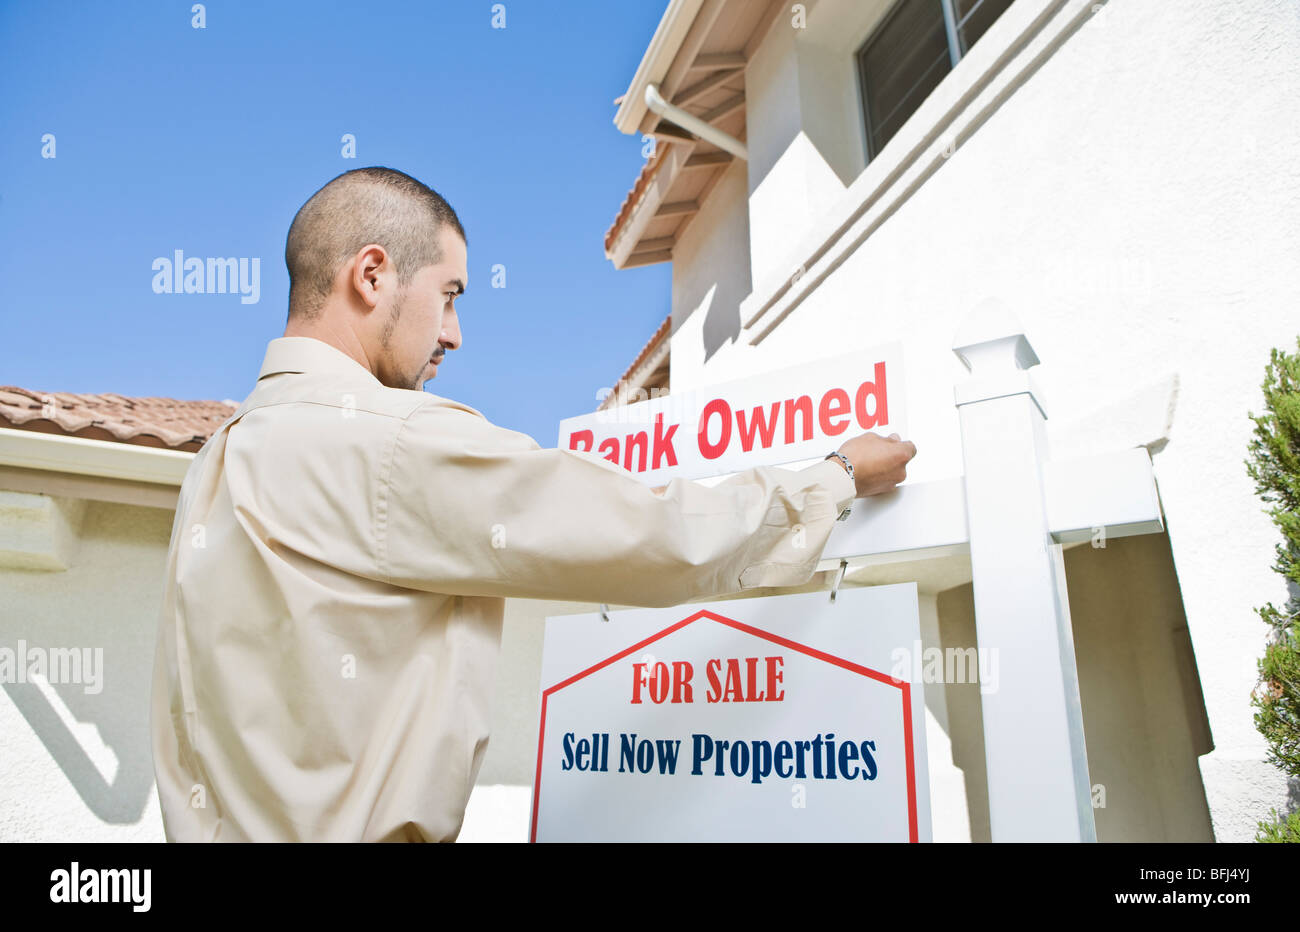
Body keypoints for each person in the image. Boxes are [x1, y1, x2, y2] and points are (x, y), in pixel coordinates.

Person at [149, 166, 917, 842]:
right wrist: (837, 473)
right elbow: (653, 534)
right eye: (448, 296)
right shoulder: (391, 440)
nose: (454, 333)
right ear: (372, 275)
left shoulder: (222, 455)